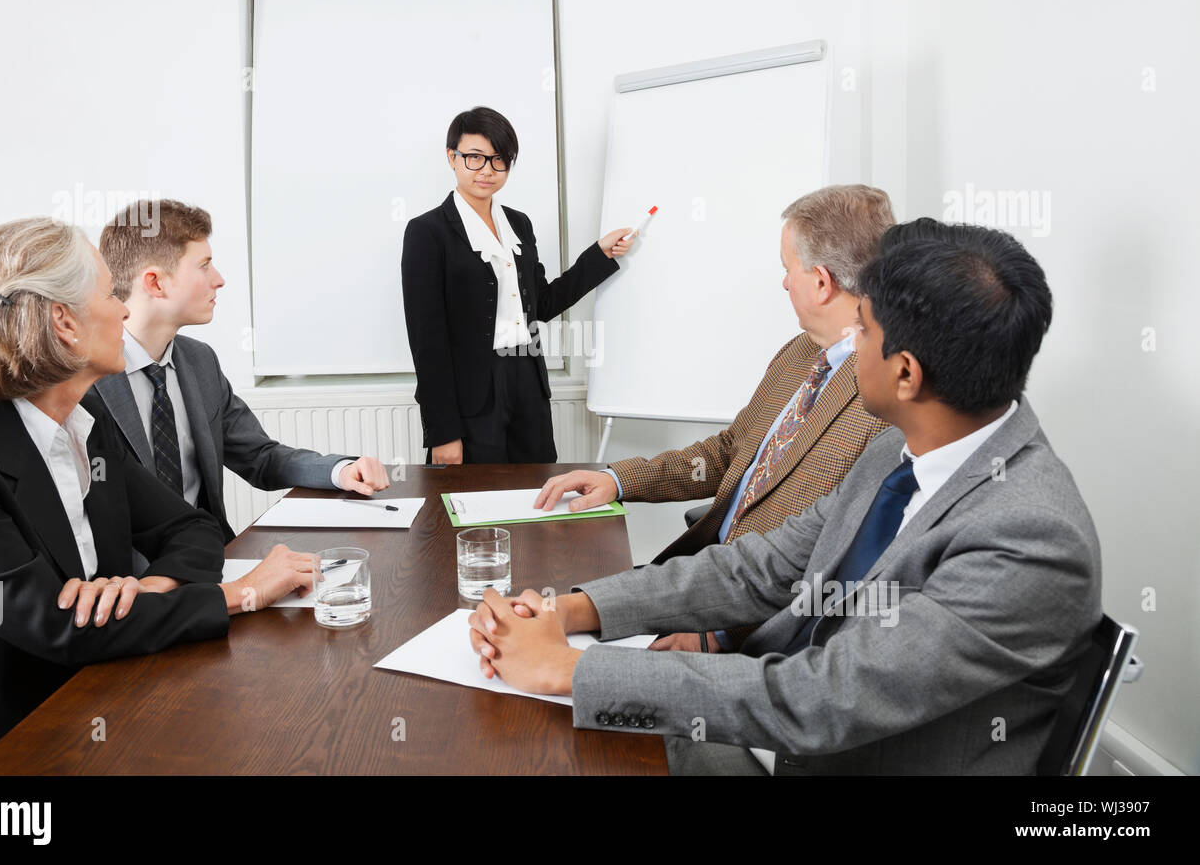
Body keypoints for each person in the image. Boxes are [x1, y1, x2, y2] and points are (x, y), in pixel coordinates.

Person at [468, 219, 1103, 775]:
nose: (849, 345)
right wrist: (574, 611)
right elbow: (759, 567)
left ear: (906, 373)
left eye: (864, 330)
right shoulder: (900, 450)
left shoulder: (1030, 536)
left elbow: (822, 699)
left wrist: (572, 671)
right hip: (788, 729)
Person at [0, 218, 315, 775]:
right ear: (62, 322)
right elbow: (55, 624)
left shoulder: (83, 420)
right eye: (106, 294)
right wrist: (241, 594)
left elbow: (189, 529)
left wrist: (145, 587)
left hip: (95, 697)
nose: (123, 309)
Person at [534, 185, 894, 653]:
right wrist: (619, 480)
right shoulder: (801, 352)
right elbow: (729, 453)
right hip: (700, 579)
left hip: (752, 627)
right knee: (552, 609)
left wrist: (720, 638)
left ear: (822, 282)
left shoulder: (884, 401)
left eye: (788, 270)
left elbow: (835, 568)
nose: (784, 283)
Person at [92, 199, 389, 544]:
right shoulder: (83, 381)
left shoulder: (199, 361)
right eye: (204, 266)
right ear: (156, 283)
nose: (219, 280)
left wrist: (339, 471)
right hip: (136, 584)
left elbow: (260, 457)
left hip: (211, 556)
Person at [401, 106, 633, 464]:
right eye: (475, 158)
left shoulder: (518, 224)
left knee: (536, 495)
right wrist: (443, 431)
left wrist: (598, 255)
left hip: (527, 381)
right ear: (452, 157)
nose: (487, 171)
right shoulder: (427, 232)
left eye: (499, 160)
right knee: (472, 502)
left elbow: (541, 304)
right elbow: (427, 342)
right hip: (471, 395)